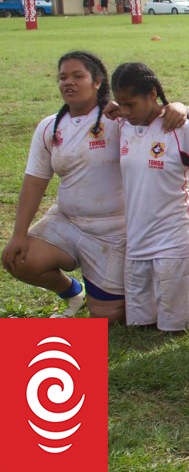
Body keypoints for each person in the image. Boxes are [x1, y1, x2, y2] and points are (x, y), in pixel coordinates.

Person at [3, 52, 126, 321]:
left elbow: (157, 116)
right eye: (62, 77)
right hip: (67, 221)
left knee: (109, 316)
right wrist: (19, 234)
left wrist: (175, 106)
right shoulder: (50, 126)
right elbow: (34, 182)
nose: (68, 83)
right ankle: (73, 291)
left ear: (97, 82)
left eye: (78, 76)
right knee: (17, 259)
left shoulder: (119, 118)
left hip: (114, 231)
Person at [111, 62, 189, 332]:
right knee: (142, 324)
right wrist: (119, 110)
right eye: (121, 105)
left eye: (131, 104)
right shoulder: (122, 125)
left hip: (174, 239)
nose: (125, 112)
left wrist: (181, 106)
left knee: (177, 326)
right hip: (137, 243)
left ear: (152, 94)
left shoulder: (181, 129)